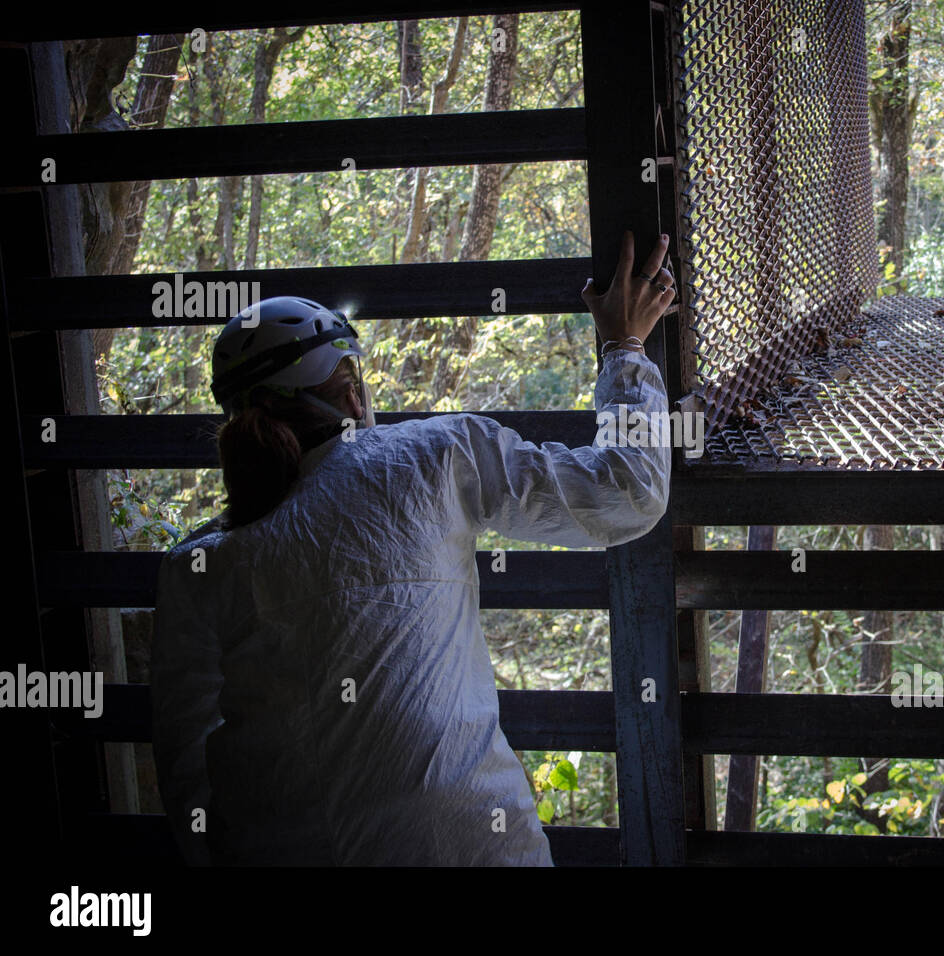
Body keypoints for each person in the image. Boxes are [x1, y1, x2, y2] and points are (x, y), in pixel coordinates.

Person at [152, 230, 676, 865]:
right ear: (351, 395)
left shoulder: (197, 566)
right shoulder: (434, 456)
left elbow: (187, 778)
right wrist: (625, 348)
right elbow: (631, 490)